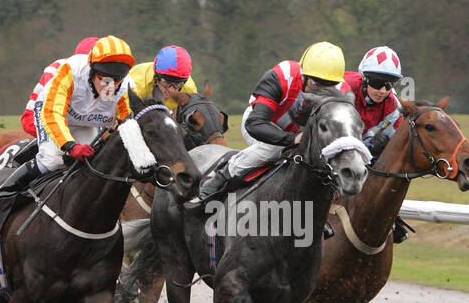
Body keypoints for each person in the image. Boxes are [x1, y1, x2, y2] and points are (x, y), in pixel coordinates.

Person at [0, 35, 136, 232]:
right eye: (104, 79)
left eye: (117, 80)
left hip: (86, 121)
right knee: (51, 159)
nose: (110, 86)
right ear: (92, 69)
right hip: (54, 111)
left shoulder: (126, 87)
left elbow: (128, 124)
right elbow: (53, 113)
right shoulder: (71, 70)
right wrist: (70, 145)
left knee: (93, 164)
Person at [189, 41, 345, 208]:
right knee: (274, 149)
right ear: (303, 75)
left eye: (329, 87)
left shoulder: (342, 92)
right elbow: (255, 124)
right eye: (316, 84)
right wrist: (292, 139)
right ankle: (218, 181)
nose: (321, 92)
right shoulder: (282, 76)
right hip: (263, 126)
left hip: (300, 136)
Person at [341, 45, 410, 242]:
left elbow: (394, 148)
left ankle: (390, 218)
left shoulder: (392, 105)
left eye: (389, 85)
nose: (382, 91)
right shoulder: (343, 89)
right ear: (364, 78)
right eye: (378, 83)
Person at [128, 45, 200, 103]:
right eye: (167, 82)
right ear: (156, 77)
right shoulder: (136, 82)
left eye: (177, 84)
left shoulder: (190, 90)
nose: (171, 90)